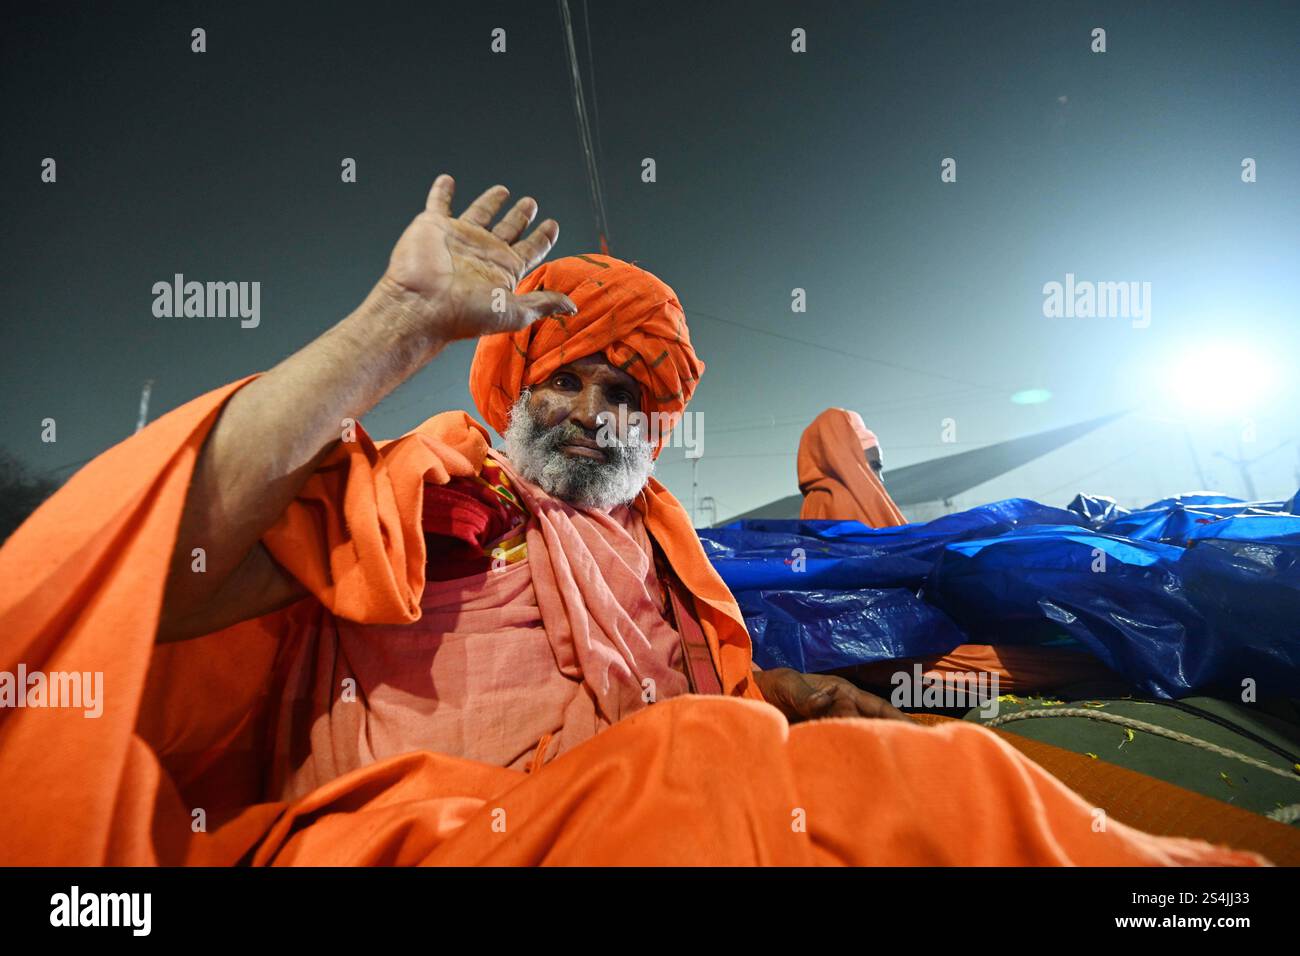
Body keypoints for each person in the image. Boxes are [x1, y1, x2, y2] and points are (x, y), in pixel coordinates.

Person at [0, 175, 1266, 866]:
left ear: (659, 427)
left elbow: (719, 688)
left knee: (941, 761)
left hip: (683, 825)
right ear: (509, 383)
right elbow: (161, 570)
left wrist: (806, 696)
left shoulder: (672, 558)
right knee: (732, 768)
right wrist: (391, 326)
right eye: (567, 377)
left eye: (629, 392)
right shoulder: (409, 491)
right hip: (429, 842)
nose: (596, 414)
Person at [798, 407, 906, 526]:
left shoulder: (812, 503)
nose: (880, 478)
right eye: (874, 466)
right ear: (847, 462)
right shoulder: (847, 500)